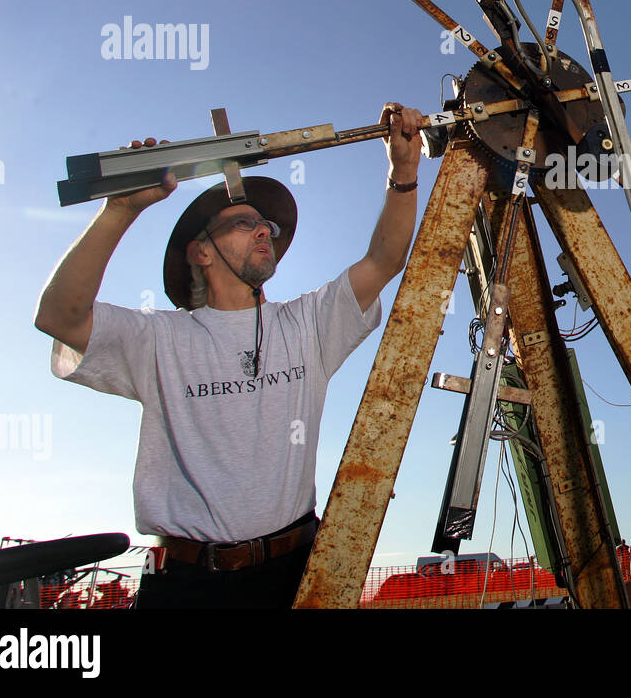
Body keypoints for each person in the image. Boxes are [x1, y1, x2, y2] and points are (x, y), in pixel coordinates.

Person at [34, 104, 424, 608]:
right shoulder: (161, 339)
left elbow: (385, 260)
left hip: (299, 574)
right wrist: (121, 210)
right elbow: (59, 317)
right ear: (201, 253)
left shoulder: (306, 324)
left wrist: (404, 174)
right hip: (191, 586)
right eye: (244, 223)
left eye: (267, 226)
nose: (264, 230)